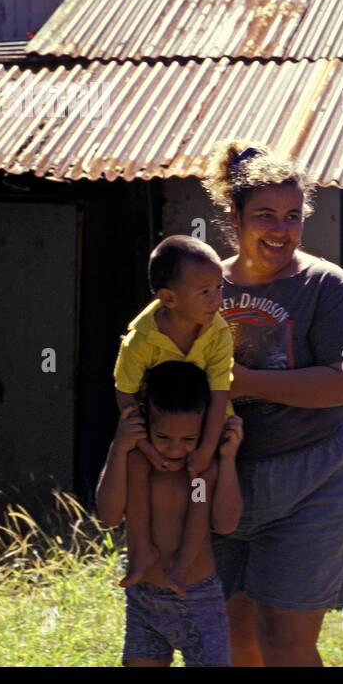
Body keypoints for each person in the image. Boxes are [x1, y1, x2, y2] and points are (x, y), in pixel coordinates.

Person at [205, 141, 343, 667]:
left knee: (286, 642)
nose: (281, 229)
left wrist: (243, 381)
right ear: (235, 216)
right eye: (266, 216)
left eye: (293, 217)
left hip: (315, 478)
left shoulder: (326, 285)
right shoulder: (203, 287)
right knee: (232, 637)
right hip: (218, 480)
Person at [96, 360, 244, 667]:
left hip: (199, 601)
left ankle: (179, 566)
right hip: (144, 599)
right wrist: (119, 447)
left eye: (188, 440)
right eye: (163, 437)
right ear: (146, 421)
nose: (174, 450)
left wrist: (227, 460)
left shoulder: (203, 470)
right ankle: (146, 554)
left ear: (205, 430)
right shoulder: (137, 461)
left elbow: (226, 524)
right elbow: (109, 516)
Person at [114, 235, 232, 591]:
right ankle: (142, 549)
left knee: (202, 480)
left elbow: (219, 395)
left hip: (204, 427)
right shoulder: (139, 340)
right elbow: (126, 395)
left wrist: (205, 451)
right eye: (205, 293)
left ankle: (183, 562)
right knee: (136, 467)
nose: (217, 300)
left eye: (218, 288)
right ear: (168, 299)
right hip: (158, 432)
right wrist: (146, 447)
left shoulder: (219, 333)